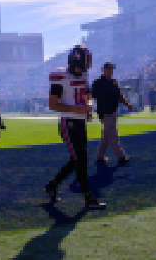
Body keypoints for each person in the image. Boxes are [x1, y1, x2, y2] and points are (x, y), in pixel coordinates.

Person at [45, 44, 105, 211]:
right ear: (73, 62)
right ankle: (88, 197)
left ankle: (53, 184)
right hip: (68, 122)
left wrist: (88, 105)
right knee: (81, 159)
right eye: (80, 66)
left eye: (84, 67)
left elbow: (88, 93)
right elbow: (52, 104)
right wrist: (77, 109)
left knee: (76, 159)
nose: (82, 69)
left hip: (80, 122)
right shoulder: (60, 76)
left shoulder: (83, 74)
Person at [92, 62, 131, 164]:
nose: (110, 71)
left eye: (111, 69)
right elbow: (91, 96)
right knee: (113, 134)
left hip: (113, 111)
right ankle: (121, 157)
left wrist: (127, 103)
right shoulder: (97, 83)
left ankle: (100, 156)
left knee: (106, 135)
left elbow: (119, 95)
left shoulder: (113, 82)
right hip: (105, 113)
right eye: (108, 69)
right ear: (103, 70)